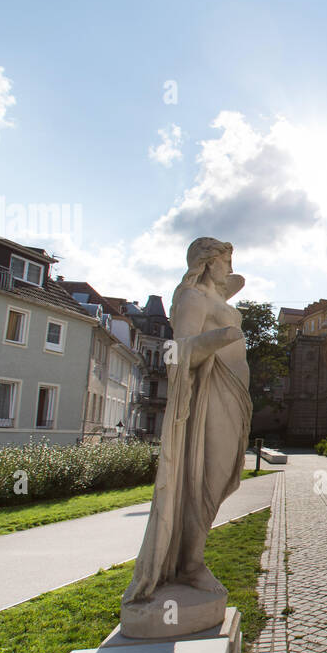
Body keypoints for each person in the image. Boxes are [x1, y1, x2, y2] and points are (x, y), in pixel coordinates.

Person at [122, 237, 252, 606]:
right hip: (211, 391)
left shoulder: (215, 299)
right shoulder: (192, 298)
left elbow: (231, 288)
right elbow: (177, 352)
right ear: (209, 262)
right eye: (226, 261)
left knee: (222, 474)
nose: (229, 267)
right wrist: (221, 337)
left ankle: (192, 558)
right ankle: (191, 563)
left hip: (233, 394)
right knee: (205, 477)